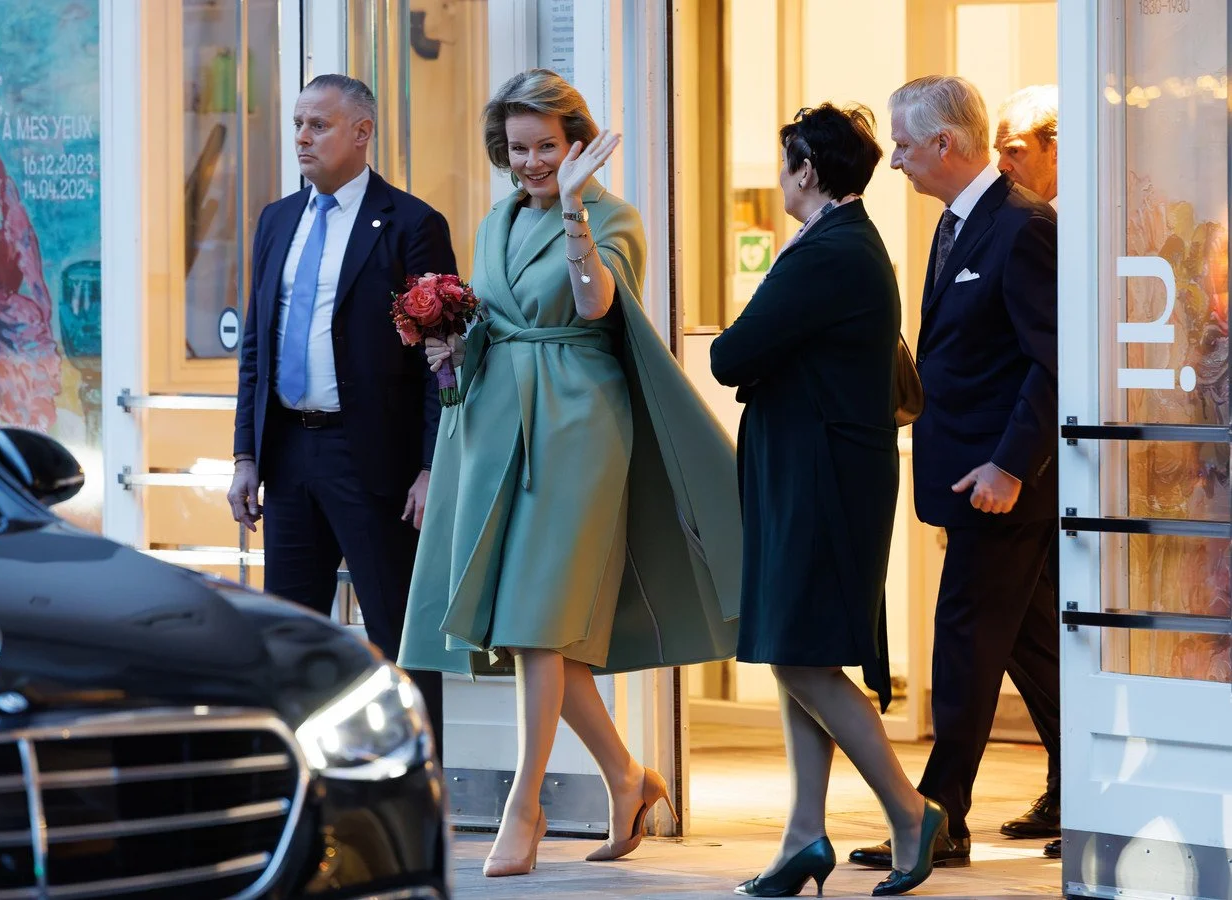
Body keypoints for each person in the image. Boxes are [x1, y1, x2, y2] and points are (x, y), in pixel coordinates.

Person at [398, 68, 742, 878]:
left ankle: (525, 802)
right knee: (535, 631)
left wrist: (580, 208)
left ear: (576, 142)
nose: (529, 162)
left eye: (545, 146)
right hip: (495, 428)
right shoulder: (496, 221)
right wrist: (447, 342)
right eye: (517, 148)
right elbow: (490, 317)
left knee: (538, 618)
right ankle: (627, 779)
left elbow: (595, 306)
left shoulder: (613, 216)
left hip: (582, 424)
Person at [711, 103, 947, 898]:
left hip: (821, 477)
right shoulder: (840, 243)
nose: (781, 175)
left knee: (802, 656)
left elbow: (731, 355)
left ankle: (911, 813)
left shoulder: (830, 250)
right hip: (812, 470)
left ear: (807, 171)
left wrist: (756, 360)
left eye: (785, 162)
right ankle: (804, 836)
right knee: (795, 650)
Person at [849, 75, 1059, 872]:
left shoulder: (1023, 226)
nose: (895, 160)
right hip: (969, 473)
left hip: (1004, 482)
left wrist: (1009, 465)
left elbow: (1051, 363)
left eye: (904, 145)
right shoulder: (957, 224)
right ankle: (1091, 779)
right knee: (1026, 641)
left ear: (945, 144)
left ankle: (940, 819)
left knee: (966, 641)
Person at [228, 74, 456, 750]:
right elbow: (256, 350)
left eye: (318, 125)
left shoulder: (412, 224)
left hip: (375, 465)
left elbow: (440, 360)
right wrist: (245, 454)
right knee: (288, 640)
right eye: (298, 123)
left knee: (398, 636)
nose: (301, 137)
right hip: (290, 456)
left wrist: (428, 466)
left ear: (363, 132)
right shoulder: (276, 220)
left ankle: (419, 790)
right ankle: (294, 784)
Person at [995, 83, 1064, 861]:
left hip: (1053, 464)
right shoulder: (1024, 221)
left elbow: (1049, 361)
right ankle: (1069, 770)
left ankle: (1079, 776)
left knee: (1045, 627)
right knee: (1024, 629)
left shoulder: (1061, 225)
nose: (1006, 162)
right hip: (1028, 462)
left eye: (1017, 148)